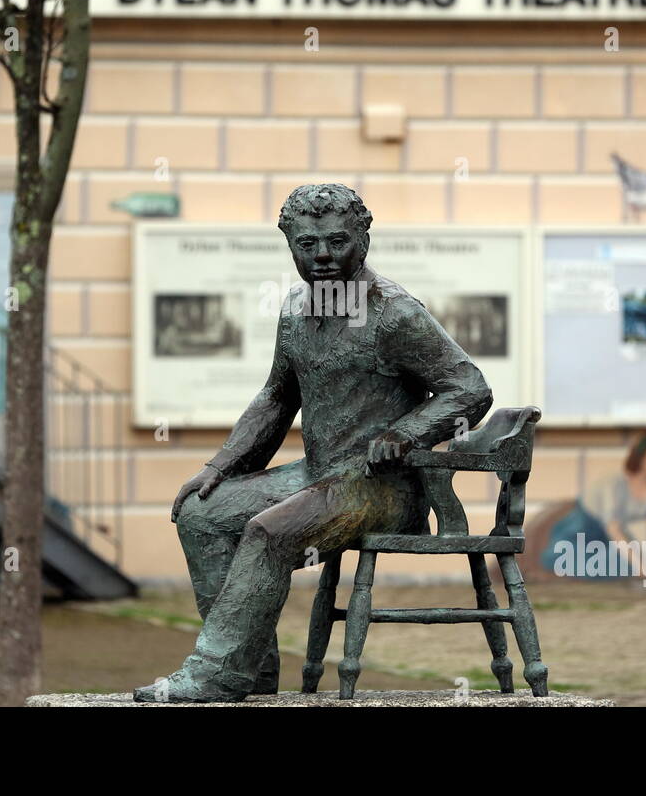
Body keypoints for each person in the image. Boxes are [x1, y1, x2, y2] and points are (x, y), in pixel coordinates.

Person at [134, 184, 493, 702]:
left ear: (364, 239)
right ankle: (249, 672)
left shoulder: (395, 313)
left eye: (337, 241)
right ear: (290, 243)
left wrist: (405, 434)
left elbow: (469, 388)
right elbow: (277, 398)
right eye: (307, 245)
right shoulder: (296, 310)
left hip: (383, 489)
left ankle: (214, 672)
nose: (322, 256)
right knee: (200, 512)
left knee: (269, 532)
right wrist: (222, 467)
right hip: (318, 475)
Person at [537, 429, 646, 579]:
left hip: (608, 538)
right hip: (581, 528)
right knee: (577, 563)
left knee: (622, 566)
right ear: (641, 456)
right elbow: (613, 528)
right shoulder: (615, 484)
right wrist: (640, 567)